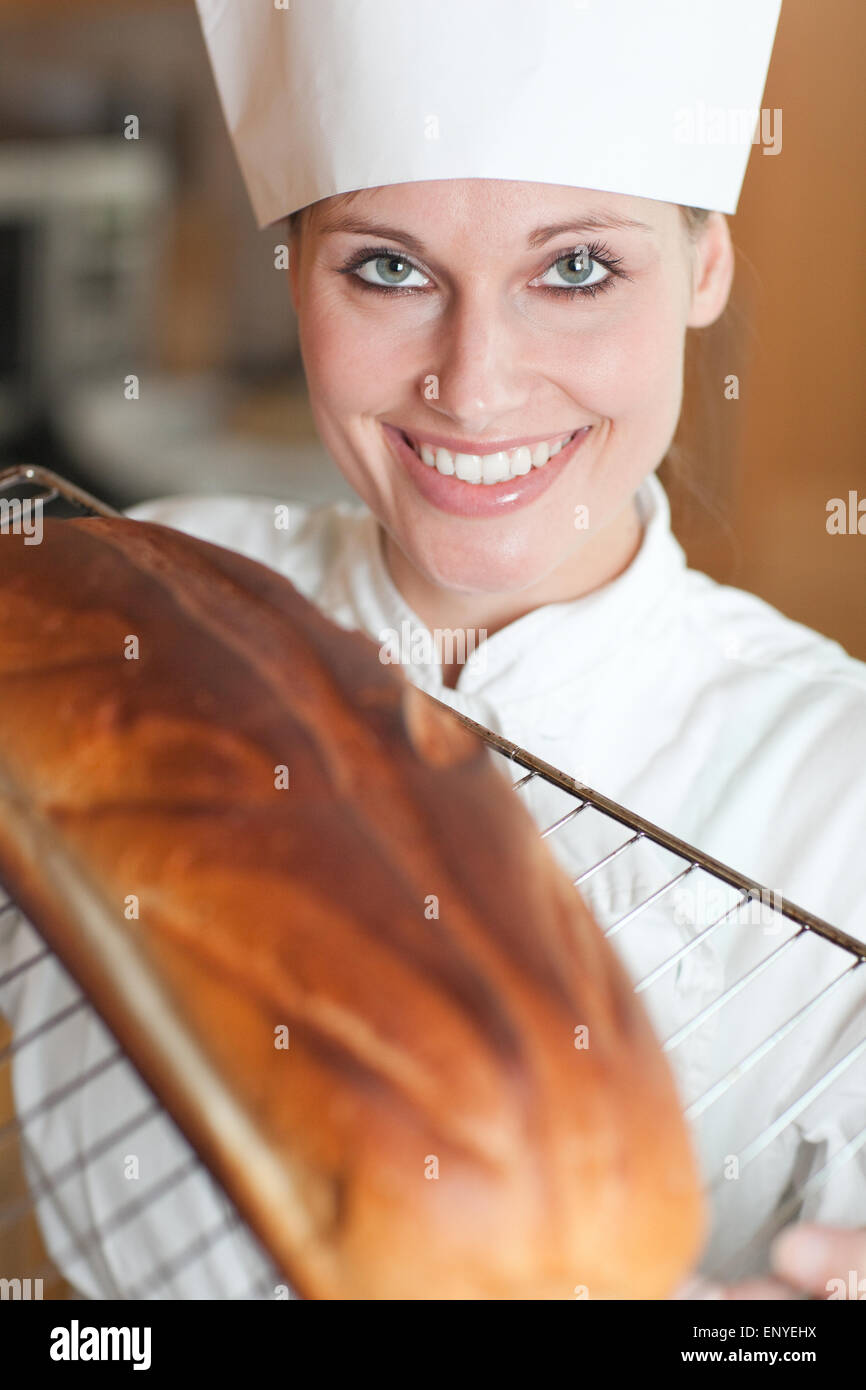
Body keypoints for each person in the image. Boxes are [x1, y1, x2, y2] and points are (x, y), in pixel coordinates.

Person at [2, 0, 864, 1300]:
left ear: (701, 267)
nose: (473, 383)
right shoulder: (135, 603)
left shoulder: (833, 779)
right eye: (387, 268)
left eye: (574, 267)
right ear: (292, 267)